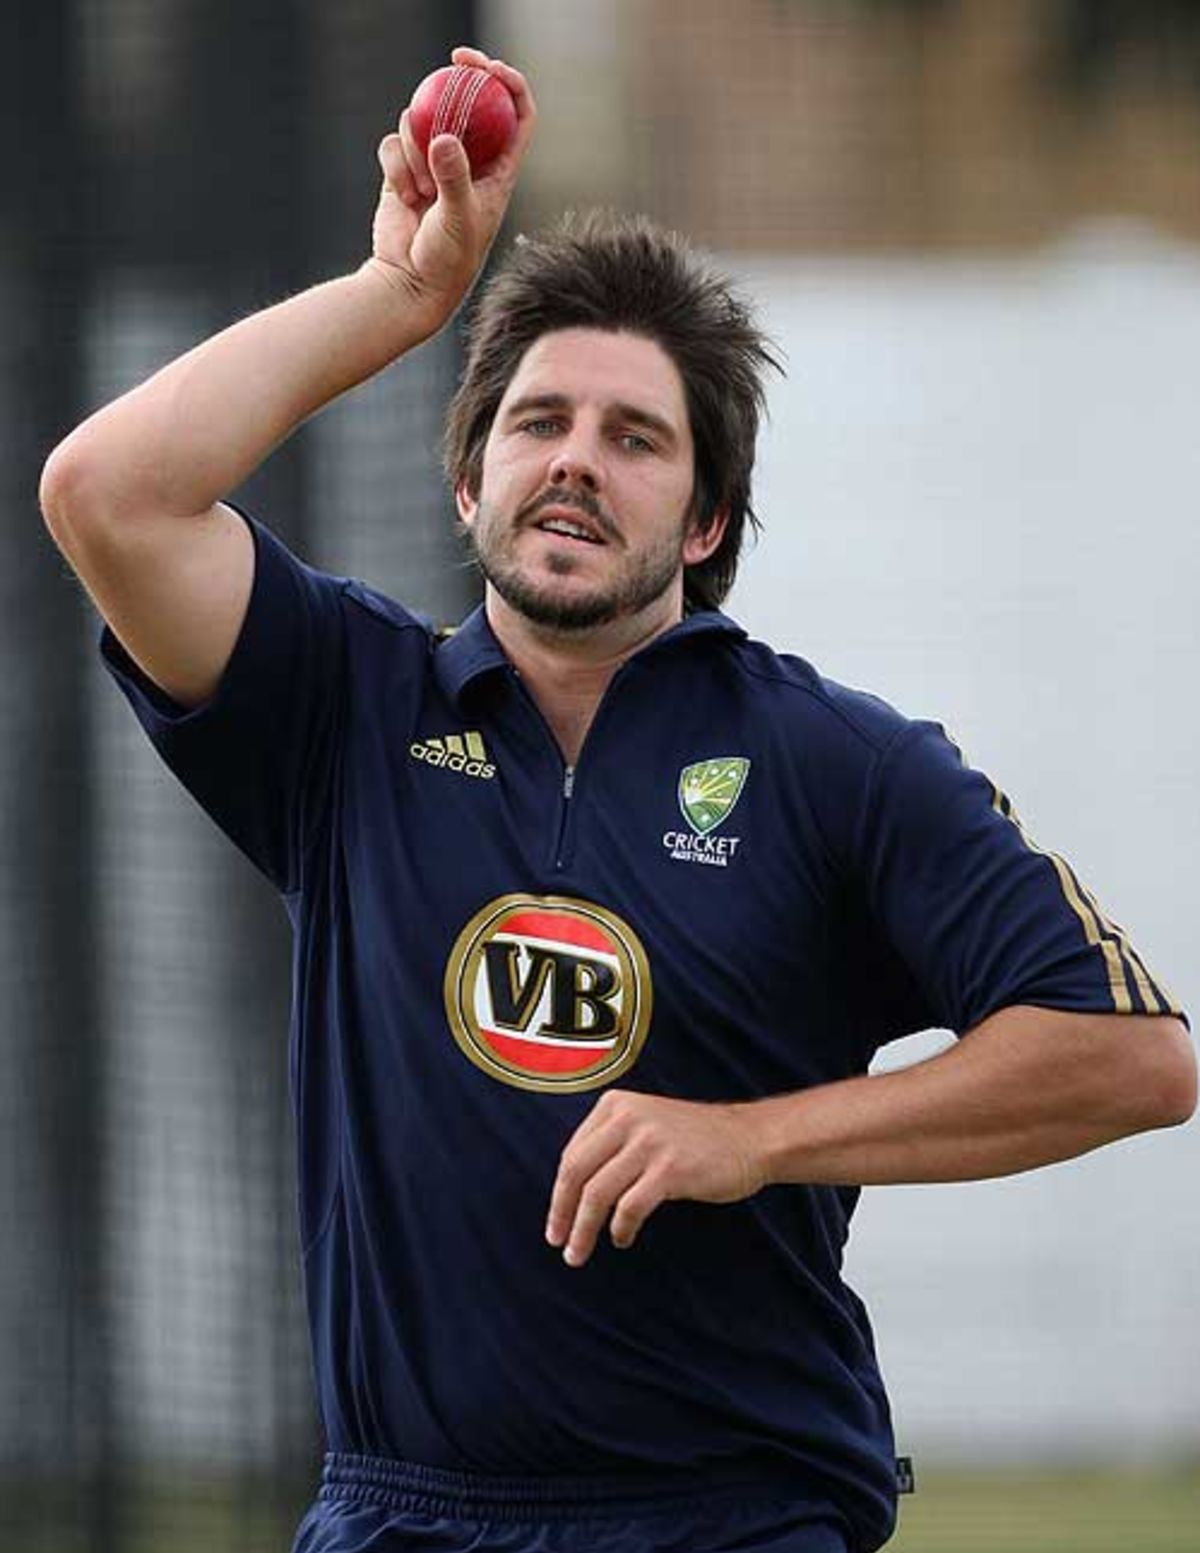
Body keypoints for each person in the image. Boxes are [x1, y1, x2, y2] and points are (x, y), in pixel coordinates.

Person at [40, 44, 1195, 1553]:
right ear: (469, 483)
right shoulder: (344, 708)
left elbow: (1133, 1056)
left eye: (636, 438)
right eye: (539, 422)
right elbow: (104, 492)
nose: (577, 462)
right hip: (405, 1520)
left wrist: (754, 1138)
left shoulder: (840, 760)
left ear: (705, 518)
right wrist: (401, 300)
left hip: (737, 1517)